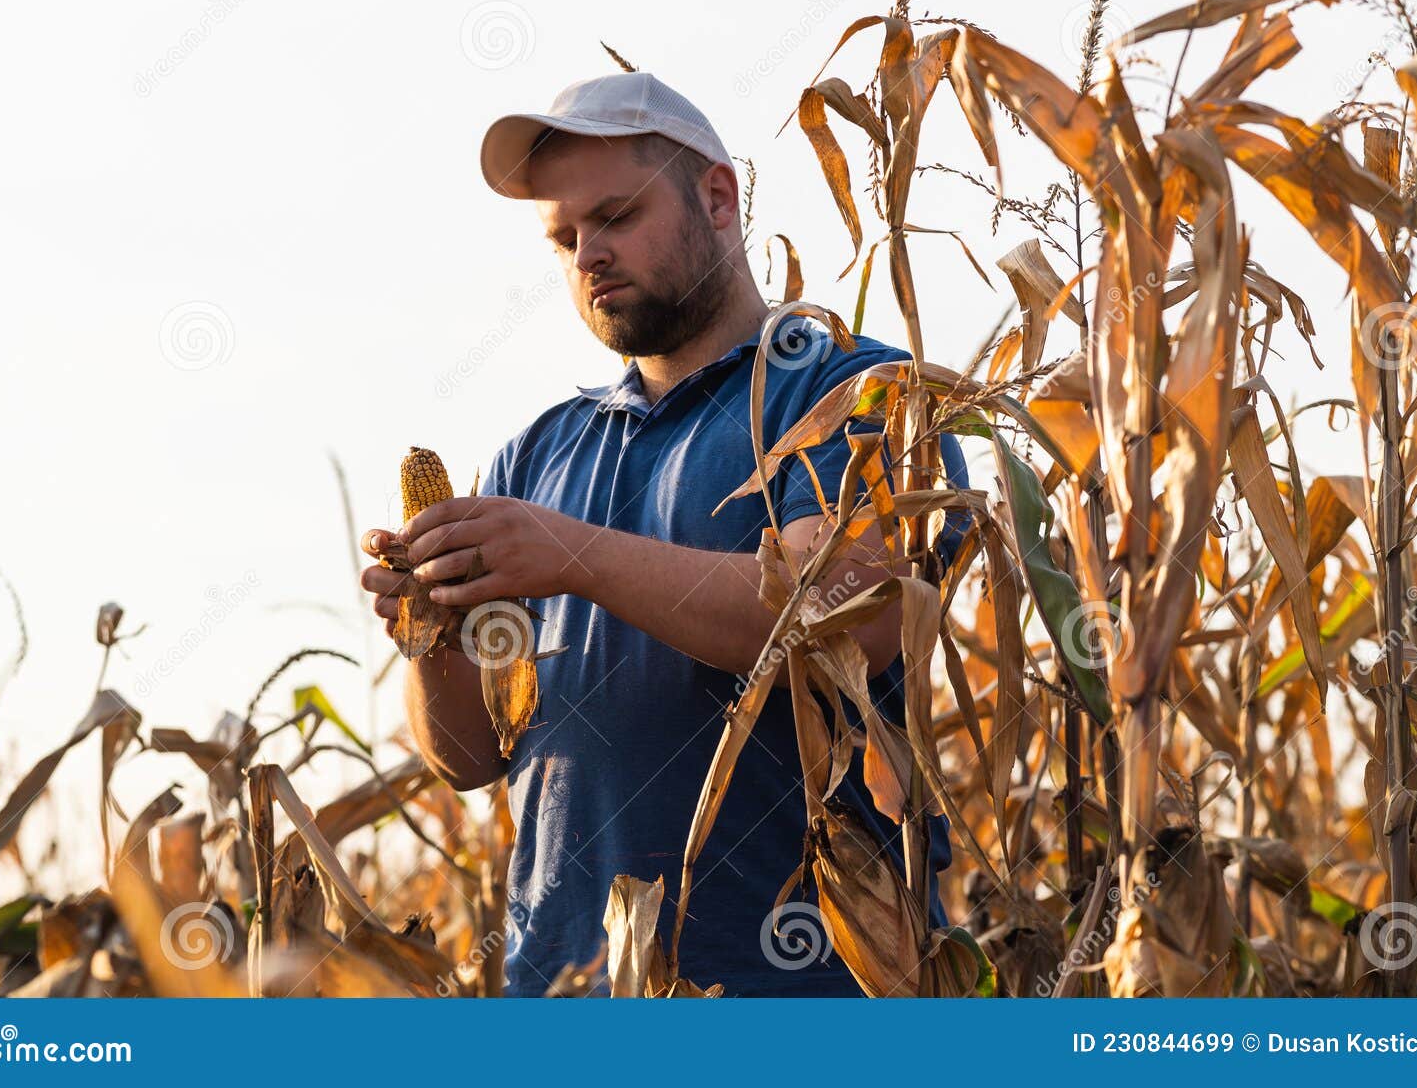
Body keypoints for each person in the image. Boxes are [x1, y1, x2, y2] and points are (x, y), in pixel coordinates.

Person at [360, 72, 969, 996]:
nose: (588, 256)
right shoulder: (536, 456)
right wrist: (429, 631)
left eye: (615, 217)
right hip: (569, 994)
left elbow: (846, 611)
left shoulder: (851, 391)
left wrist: (569, 553)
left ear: (717, 198)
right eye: (564, 239)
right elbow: (473, 756)